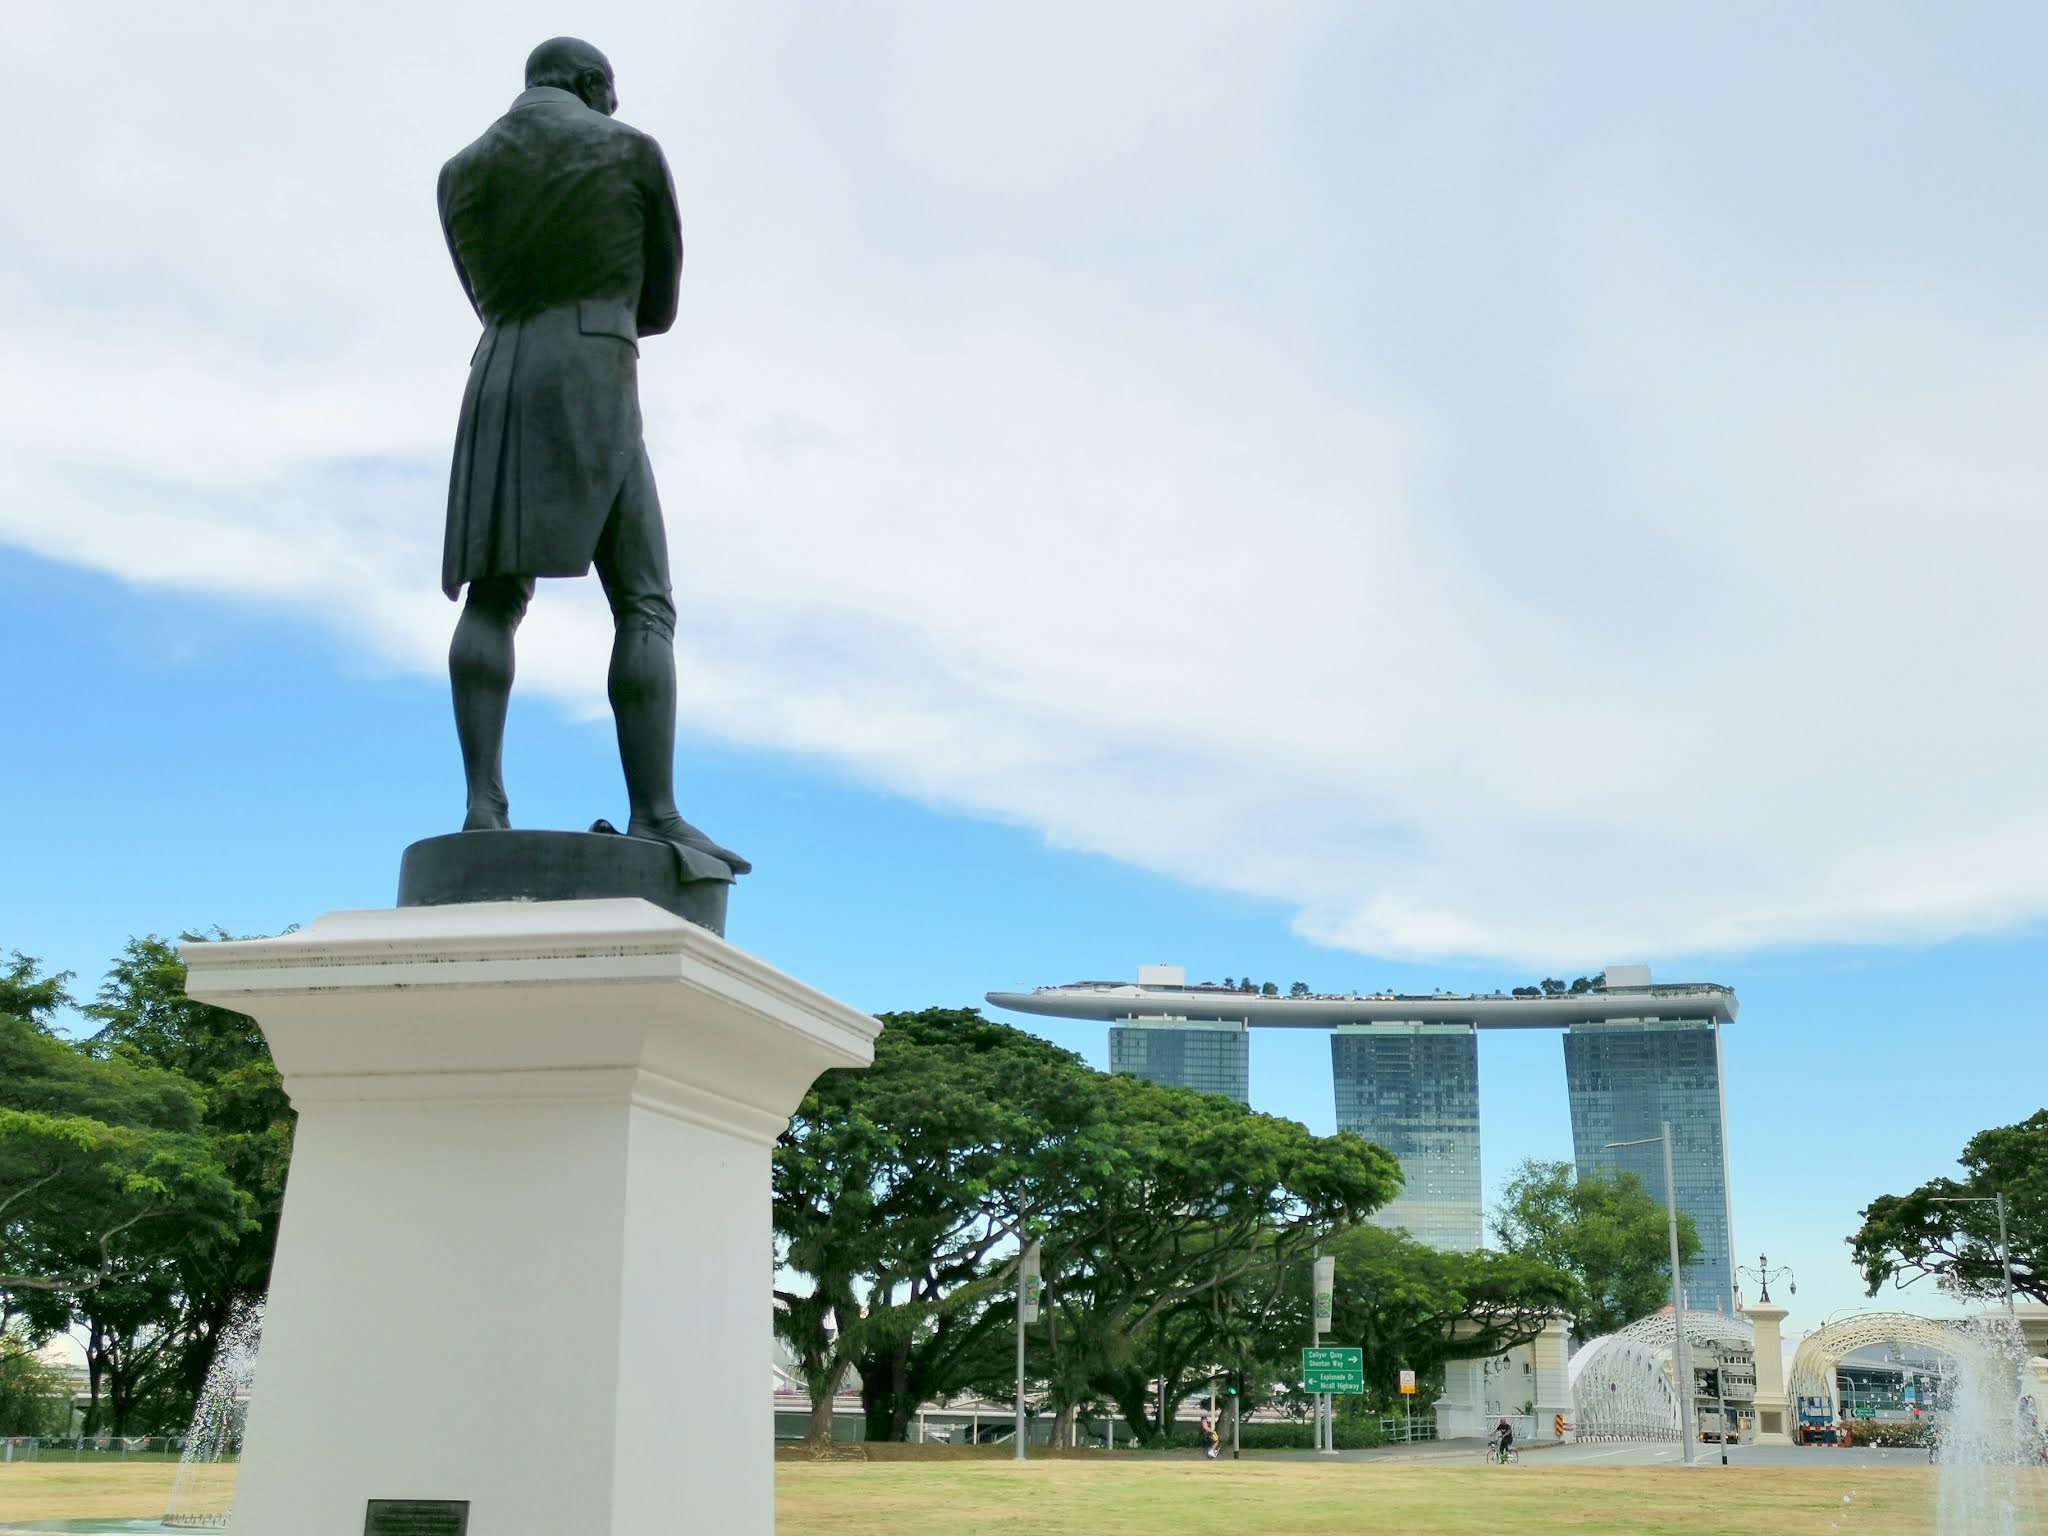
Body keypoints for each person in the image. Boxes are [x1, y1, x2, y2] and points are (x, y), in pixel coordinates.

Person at [437, 37, 746, 872]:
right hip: (595, 371)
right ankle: (657, 809)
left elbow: (478, 289)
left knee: (494, 595)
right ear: (591, 83)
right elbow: (661, 303)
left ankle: (481, 803)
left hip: (497, 371)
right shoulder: (630, 150)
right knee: (644, 601)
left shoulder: (459, 172)